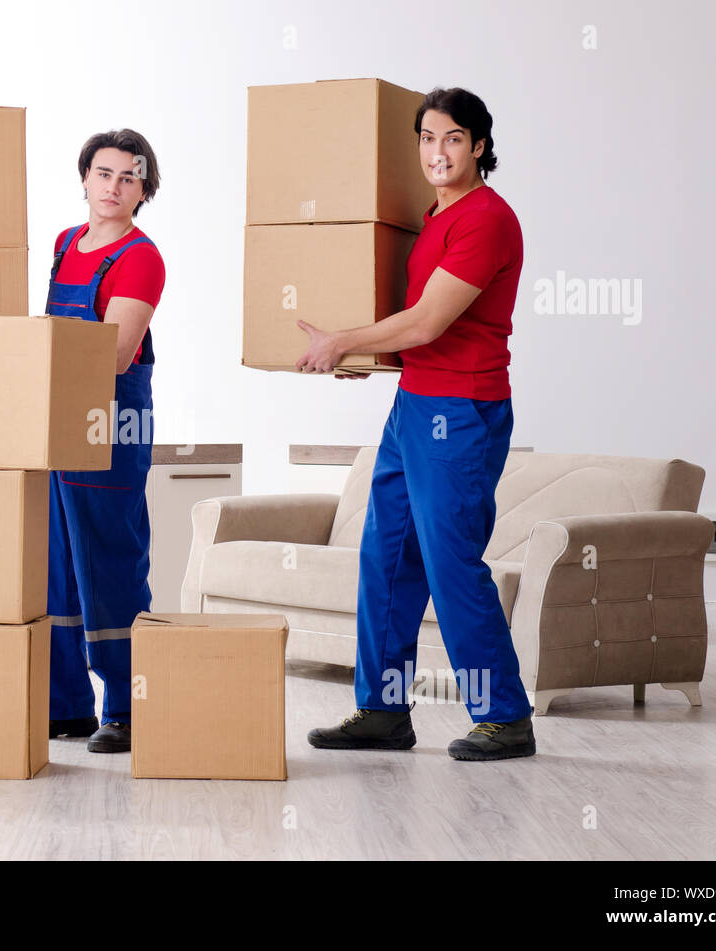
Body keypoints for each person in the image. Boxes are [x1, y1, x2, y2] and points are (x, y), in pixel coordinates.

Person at [296, 87, 535, 761]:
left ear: (480, 145)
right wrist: (369, 358)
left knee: (450, 561)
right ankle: (383, 709)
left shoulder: (485, 218)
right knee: (387, 557)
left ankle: (504, 716)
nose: (437, 151)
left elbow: (433, 320)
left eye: (452, 138)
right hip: (413, 405)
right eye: (428, 138)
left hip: (461, 412)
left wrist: (344, 340)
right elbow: (424, 329)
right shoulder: (435, 218)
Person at [46, 129, 166, 754]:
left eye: (128, 177)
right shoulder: (67, 243)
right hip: (55, 414)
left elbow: (115, 355)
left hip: (112, 418)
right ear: (85, 178)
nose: (113, 187)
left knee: (109, 559)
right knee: (57, 564)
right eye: (103, 173)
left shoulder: (142, 257)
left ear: (144, 188)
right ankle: (66, 706)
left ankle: (126, 706)